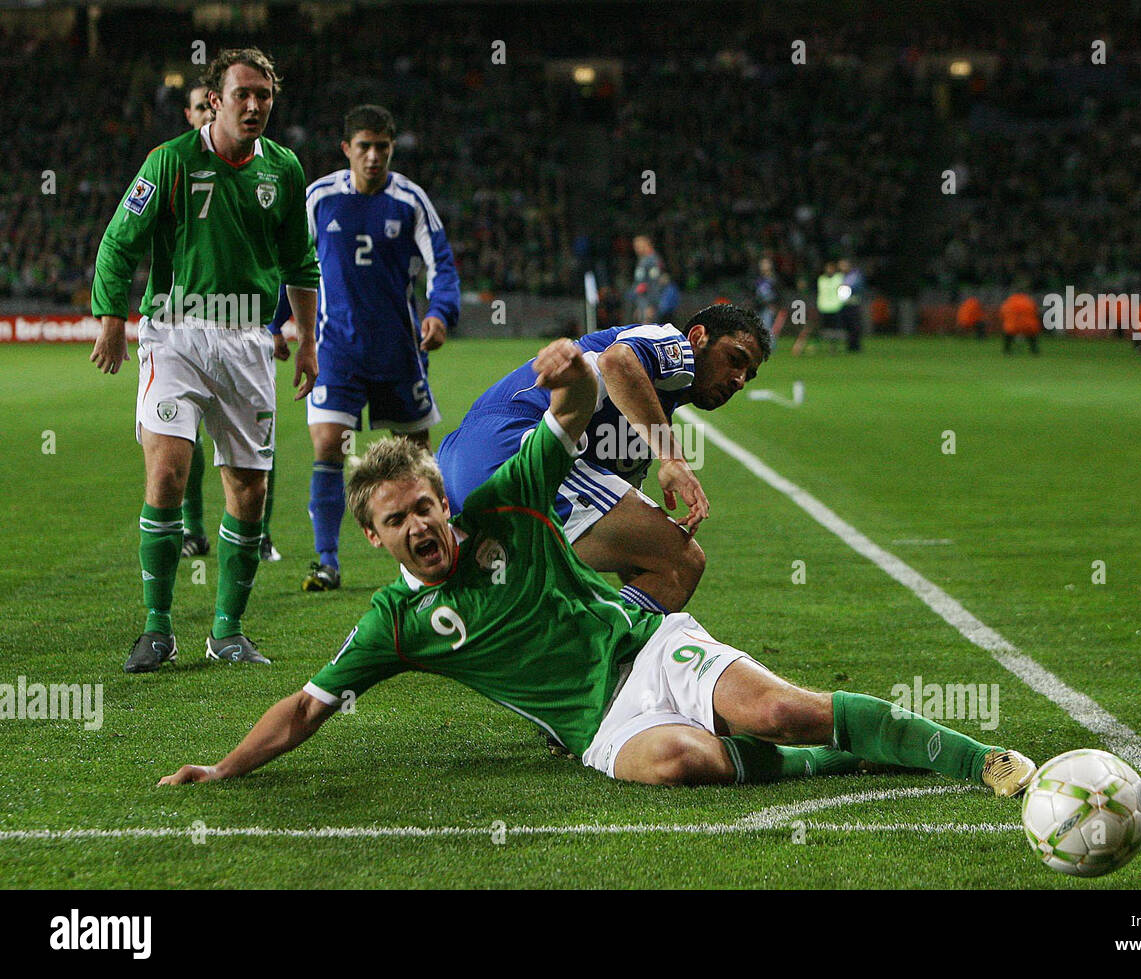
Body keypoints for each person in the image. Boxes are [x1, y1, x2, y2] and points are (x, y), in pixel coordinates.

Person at [158, 339, 1036, 795]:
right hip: (596, 726)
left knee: (779, 708)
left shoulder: (508, 500)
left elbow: (570, 412)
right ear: (377, 539)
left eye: (427, 504)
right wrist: (225, 767)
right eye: (399, 520)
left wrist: (567, 372)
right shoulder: (395, 623)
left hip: (643, 649)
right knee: (683, 764)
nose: (423, 524)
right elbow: (306, 707)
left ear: (440, 499)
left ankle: (976, 760)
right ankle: (841, 760)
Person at [90, 48, 320, 672]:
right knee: (167, 474)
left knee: (248, 490)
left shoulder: (285, 168)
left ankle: (226, 631)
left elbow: (300, 261)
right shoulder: (168, 162)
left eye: (263, 95)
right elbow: (119, 242)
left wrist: (308, 338)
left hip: (247, 340)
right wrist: (112, 320)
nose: (254, 105)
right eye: (242, 94)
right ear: (213, 100)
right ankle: (157, 628)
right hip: (175, 335)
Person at [437, 303, 767, 615]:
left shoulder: (637, 424)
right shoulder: (673, 345)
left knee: (658, 566)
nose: (738, 380)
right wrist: (674, 459)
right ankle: (602, 652)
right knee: (682, 563)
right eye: (734, 359)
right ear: (698, 337)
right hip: (511, 444)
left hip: (460, 462)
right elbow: (618, 362)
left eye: (748, 375)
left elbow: (635, 557)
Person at [296, 104, 460, 593]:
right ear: (347, 148)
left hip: (398, 352)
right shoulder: (319, 198)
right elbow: (293, 269)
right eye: (363, 147)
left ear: (391, 148)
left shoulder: (410, 200)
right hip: (336, 350)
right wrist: (277, 327)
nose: (373, 157)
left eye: (382, 148)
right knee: (328, 445)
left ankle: (435, 555)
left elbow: (442, 265)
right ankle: (327, 560)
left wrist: (440, 312)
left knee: (417, 458)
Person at [177, 82, 285, 564]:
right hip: (184, 328)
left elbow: (285, 257)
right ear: (193, 113)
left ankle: (256, 531)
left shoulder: (272, 170)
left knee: (257, 438)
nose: (206, 113)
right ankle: (192, 527)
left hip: (247, 329)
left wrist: (278, 323)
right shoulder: (176, 165)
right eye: (199, 107)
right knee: (184, 438)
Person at [792, 260, 844, 356]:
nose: (829, 270)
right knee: (818, 329)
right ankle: (814, 346)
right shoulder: (821, 279)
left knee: (833, 330)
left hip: (835, 307)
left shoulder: (839, 278)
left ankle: (832, 348)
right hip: (823, 307)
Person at [629, 235, 664, 322]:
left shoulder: (652, 260)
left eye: (639, 246)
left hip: (648, 304)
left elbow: (654, 283)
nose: (636, 249)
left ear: (646, 245)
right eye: (635, 247)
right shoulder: (642, 260)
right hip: (642, 304)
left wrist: (652, 306)